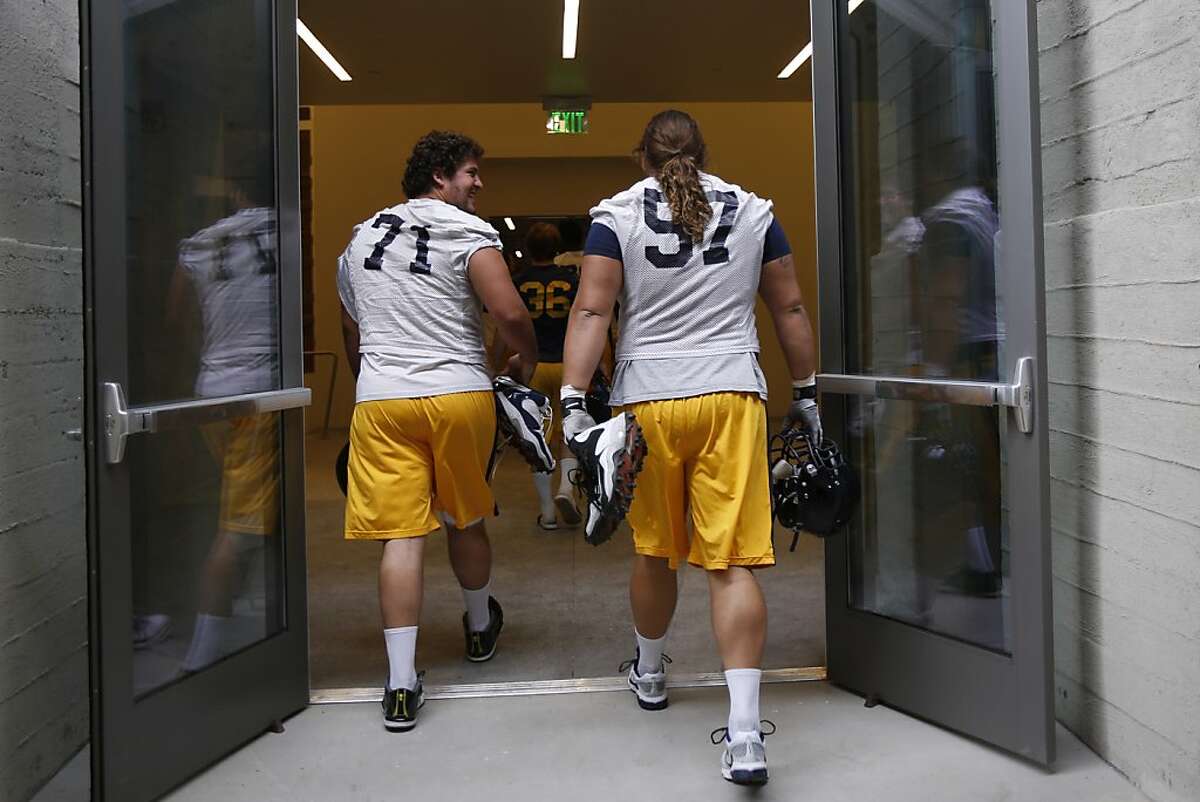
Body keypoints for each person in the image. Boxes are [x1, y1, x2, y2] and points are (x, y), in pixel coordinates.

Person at [560, 110, 821, 785]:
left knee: (654, 551)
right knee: (731, 563)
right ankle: (743, 737)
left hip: (648, 399)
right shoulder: (755, 210)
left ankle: (649, 672)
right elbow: (788, 308)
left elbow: (591, 309)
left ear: (639, 155)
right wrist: (810, 392)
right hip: (731, 395)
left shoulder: (615, 214)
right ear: (703, 152)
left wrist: (569, 400)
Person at [336, 131, 538, 732]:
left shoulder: (361, 237)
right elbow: (508, 312)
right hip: (457, 393)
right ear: (439, 177)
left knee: (400, 536)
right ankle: (478, 626)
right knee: (464, 517)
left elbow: (352, 328)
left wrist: (370, 384)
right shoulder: (468, 232)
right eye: (471, 172)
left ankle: (400, 685)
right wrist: (522, 364)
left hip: (382, 399)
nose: (479, 184)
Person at [512, 222, 582, 529]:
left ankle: (547, 512)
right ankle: (566, 488)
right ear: (557, 249)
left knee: (537, 437)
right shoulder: (571, 281)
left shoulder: (518, 281)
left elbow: (508, 325)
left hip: (533, 365)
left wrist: (497, 362)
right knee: (570, 431)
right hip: (569, 363)